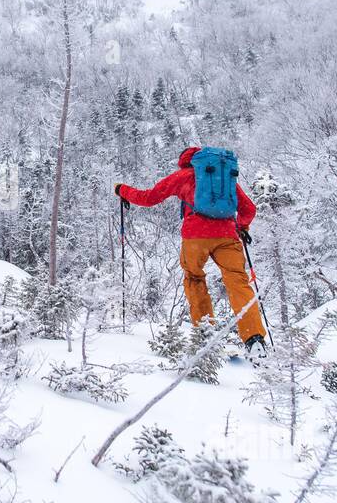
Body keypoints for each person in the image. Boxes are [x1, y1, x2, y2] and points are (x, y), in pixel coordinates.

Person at [115, 147, 268, 360]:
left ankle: (206, 336)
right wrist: (241, 227)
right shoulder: (223, 177)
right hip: (227, 235)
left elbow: (149, 198)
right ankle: (254, 340)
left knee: (194, 277)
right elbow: (249, 209)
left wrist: (122, 190)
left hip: (196, 236)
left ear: (184, 162)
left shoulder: (184, 175)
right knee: (238, 283)